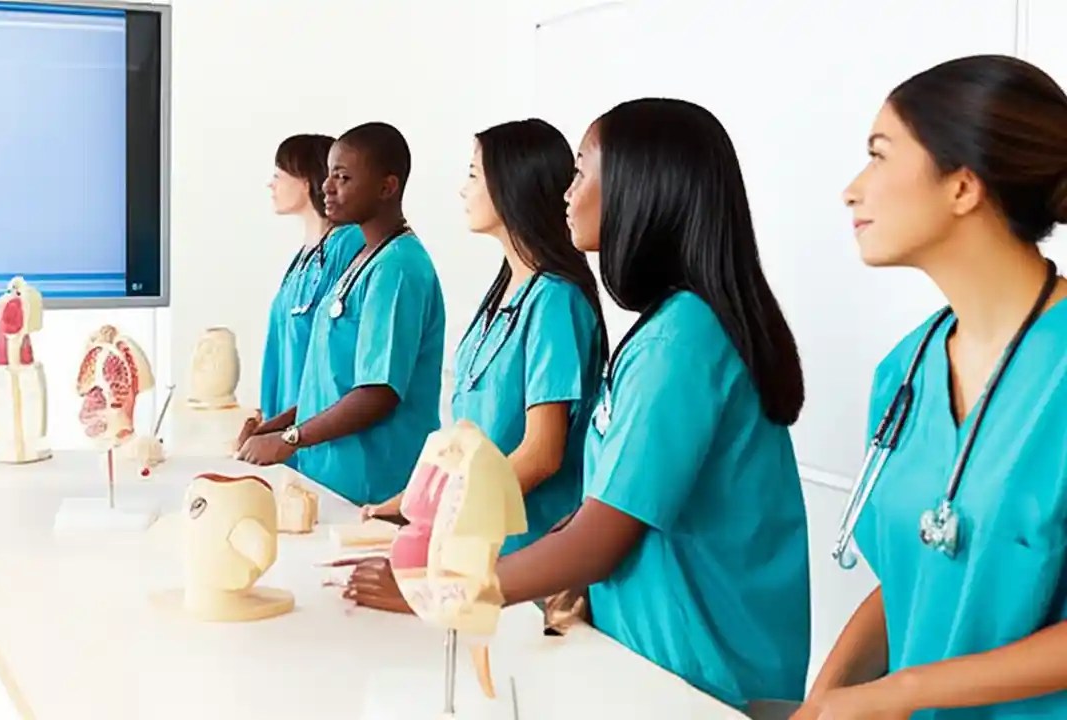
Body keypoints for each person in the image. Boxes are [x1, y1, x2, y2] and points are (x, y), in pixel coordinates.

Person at [346, 99, 812, 712]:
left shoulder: (681, 341)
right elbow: (609, 501)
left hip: (701, 675)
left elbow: (599, 534)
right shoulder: (666, 329)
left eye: (582, 171)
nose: (567, 192)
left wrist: (441, 588)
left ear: (643, 188)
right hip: (657, 655)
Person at [796, 55, 1067, 720]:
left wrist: (905, 691)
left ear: (963, 186)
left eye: (879, 155)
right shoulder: (905, 371)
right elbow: (909, 585)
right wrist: (823, 700)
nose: (852, 190)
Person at [360, 119, 606, 555]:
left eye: (473, 174)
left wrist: (442, 513)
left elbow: (541, 454)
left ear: (512, 183)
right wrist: (408, 503)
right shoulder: (505, 292)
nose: (463, 190)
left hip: (522, 549)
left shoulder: (554, 301)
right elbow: (467, 443)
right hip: (472, 542)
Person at [238, 122, 446, 507]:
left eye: (343, 177)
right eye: (329, 175)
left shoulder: (398, 268)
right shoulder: (365, 260)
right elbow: (334, 384)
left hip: (373, 486)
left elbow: (378, 392)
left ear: (386, 187)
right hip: (329, 475)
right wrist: (276, 426)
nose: (327, 187)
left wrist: (291, 438)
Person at [253, 134, 365, 428]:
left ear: (305, 181)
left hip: (317, 430)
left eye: (278, 175)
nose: (270, 184)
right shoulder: (302, 259)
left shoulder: (349, 245)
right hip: (283, 427)